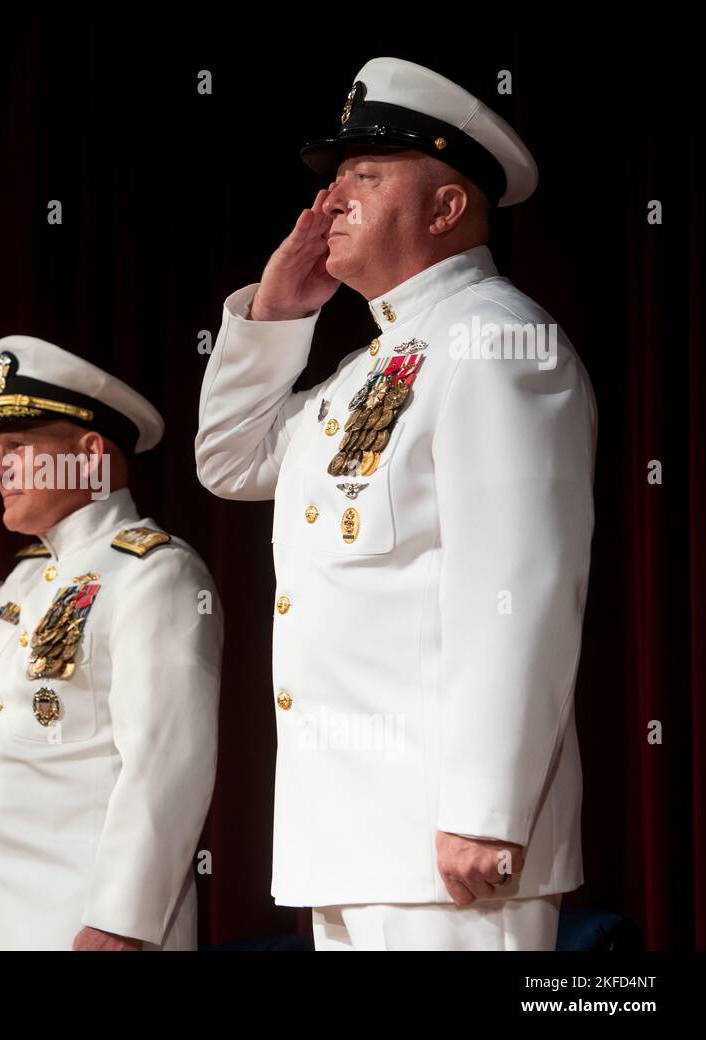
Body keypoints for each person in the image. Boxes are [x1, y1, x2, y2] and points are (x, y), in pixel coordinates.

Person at [195, 57, 596, 951]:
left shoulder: (497, 341)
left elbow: (519, 584)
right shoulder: (368, 370)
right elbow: (229, 460)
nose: (331, 201)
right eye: (333, 180)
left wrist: (486, 809)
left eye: (365, 177)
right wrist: (274, 315)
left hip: (447, 846)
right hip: (350, 841)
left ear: (447, 209)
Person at [0, 335, 222, 950]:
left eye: (15, 447)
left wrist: (121, 922)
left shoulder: (153, 573)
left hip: (95, 926)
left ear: (88, 454)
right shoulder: (29, 581)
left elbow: (166, 762)